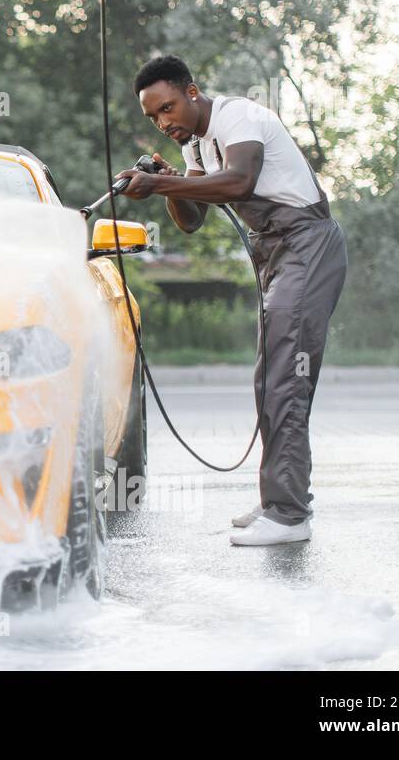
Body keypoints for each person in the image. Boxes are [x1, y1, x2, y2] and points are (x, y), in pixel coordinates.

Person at [115, 55, 347, 546]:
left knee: (286, 378)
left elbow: (239, 182)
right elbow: (192, 218)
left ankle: (289, 515)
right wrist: (166, 182)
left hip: (307, 245)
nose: (164, 122)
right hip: (276, 255)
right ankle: (279, 501)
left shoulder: (237, 117)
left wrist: (161, 182)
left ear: (192, 91)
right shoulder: (198, 145)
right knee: (269, 379)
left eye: (169, 107)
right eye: (153, 118)